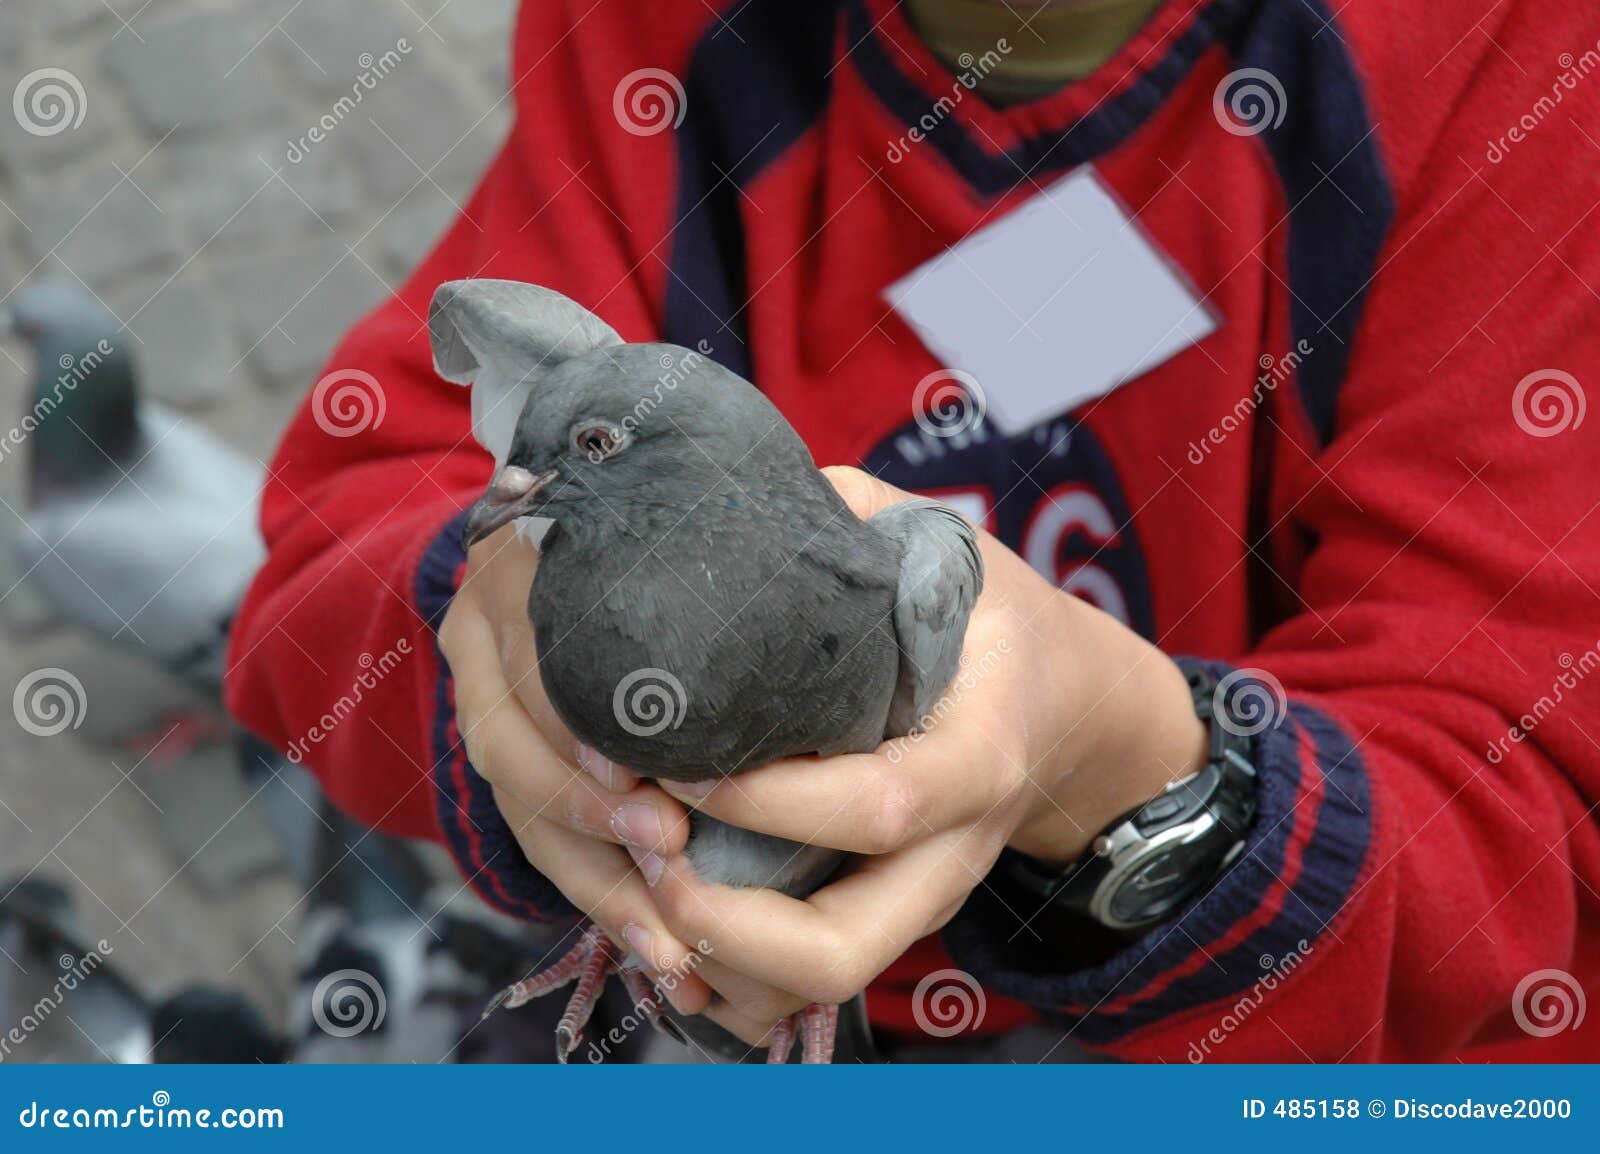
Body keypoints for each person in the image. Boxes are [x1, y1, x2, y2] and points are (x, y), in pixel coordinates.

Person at [227, 0, 1600, 1061]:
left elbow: (1527, 834)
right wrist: (493, 667)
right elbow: (318, 572)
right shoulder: (669, 45)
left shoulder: (1506, 70)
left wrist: (1133, 769)